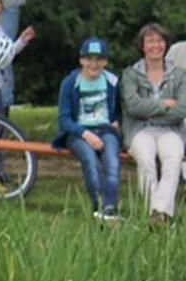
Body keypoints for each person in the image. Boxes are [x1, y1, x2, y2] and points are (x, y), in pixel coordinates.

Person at [123, 23, 185, 226]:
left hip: (170, 130)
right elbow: (133, 107)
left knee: (173, 159)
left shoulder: (180, 75)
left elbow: (182, 109)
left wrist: (150, 113)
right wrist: (163, 104)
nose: (155, 45)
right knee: (146, 159)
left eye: (159, 41)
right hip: (140, 131)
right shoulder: (131, 74)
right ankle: (155, 214)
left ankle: (159, 211)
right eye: (150, 41)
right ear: (142, 46)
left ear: (166, 45)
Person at [54, 37, 121, 221]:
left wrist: (116, 122)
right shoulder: (70, 83)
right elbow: (64, 119)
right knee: (90, 162)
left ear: (105, 62)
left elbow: (117, 111)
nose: (94, 64)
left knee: (112, 163)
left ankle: (110, 208)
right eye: (89, 59)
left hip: (106, 130)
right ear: (81, 60)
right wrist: (86, 134)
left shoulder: (112, 82)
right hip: (78, 132)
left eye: (99, 59)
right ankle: (97, 205)